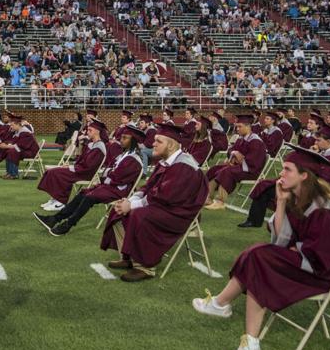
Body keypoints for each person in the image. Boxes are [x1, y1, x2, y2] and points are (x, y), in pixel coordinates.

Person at [191, 146, 330, 350]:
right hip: (303, 261)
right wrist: (282, 202)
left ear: (304, 176)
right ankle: (233, 319)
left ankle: (227, 312)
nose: (281, 174)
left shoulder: (326, 209)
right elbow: (281, 240)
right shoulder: (296, 198)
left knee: (260, 257)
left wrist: (297, 249)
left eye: (287, 169)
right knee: (257, 253)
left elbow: (324, 255)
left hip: (323, 272)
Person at [98, 122, 207, 282]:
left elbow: (166, 196)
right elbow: (148, 187)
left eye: (158, 141)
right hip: (165, 206)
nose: (153, 144)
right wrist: (131, 199)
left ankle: (145, 267)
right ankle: (129, 256)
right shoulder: (166, 161)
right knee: (118, 210)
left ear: (170, 145)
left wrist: (133, 205)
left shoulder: (183, 166)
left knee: (139, 215)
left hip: (180, 213)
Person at [35, 126, 146, 235]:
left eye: (125, 138)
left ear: (133, 141)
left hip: (119, 191)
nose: (121, 140)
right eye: (121, 137)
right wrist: (107, 175)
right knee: (83, 193)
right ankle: (54, 219)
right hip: (110, 187)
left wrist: (107, 175)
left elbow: (117, 177)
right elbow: (109, 171)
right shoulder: (124, 155)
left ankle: (68, 224)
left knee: (89, 197)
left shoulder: (133, 159)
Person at [240, 127, 330, 228]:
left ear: (329, 141)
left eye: (318, 140)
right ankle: (254, 220)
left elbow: (324, 180)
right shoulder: (322, 152)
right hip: (297, 183)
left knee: (271, 189)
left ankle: (284, 221)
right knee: (264, 186)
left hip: (309, 191)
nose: (315, 143)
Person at [37, 119, 108, 212]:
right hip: (79, 170)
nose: (87, 132)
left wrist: (71, 167)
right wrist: (71, 165)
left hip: (86, 174)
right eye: (88, 130)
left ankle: (61, 202)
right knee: (52, 171)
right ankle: (56, 198)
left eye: (90, 130)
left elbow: (89, 167)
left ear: (97, 132)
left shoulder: (99, 147)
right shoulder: (91, 144)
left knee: (58, 173)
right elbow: (82, 160)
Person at [205, 114, 266, 210]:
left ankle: (220, 201)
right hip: (239, 167)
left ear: (248, 126)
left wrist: (240, 159)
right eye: (236, 126)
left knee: (226, 172)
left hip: (250, 171)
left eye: (240, 126)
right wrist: (234, 153)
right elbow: (231, 150)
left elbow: (254, 162)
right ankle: (207, 197)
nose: (237, 129)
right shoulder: (241, 139)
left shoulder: (256, 141)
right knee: (215, 169)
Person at [0, 113, 40, 179]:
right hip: (24, 150)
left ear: (18, 124)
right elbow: (14, 142)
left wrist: (7, 146)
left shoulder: (25, 132)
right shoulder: (18, 131)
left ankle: (14, 174)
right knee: (9, 151)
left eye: (12, 125)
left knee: (13, 151)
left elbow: (21, 145)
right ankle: (9, 173)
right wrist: (6, 145)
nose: (11, 127)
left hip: (30, 152)